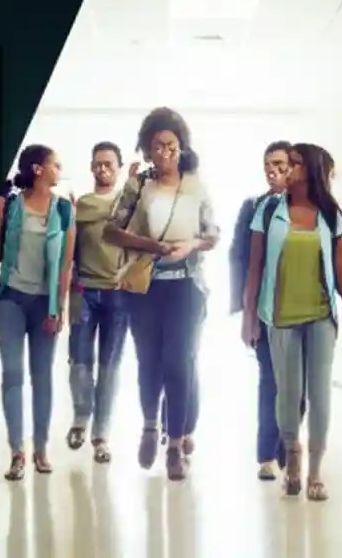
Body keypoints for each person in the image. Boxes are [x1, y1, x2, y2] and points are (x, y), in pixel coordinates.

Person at [103, 107, 219, 481]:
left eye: (171, 146)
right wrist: (151, 245)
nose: (165, 154)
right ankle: (150, 426)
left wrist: (193, 244)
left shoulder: (196, 186)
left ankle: (176, 443)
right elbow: (111, 231)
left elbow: (213, 233)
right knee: (148, 361)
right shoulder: (139, 186)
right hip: (146, 287)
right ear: (147, 149)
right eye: (157, 147)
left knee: (179, 361)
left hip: (186, 285)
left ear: (181, 147)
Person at [242, 143, 342, 502]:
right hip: (279, 317)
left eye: (293, 164)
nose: (285, 169)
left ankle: (316, 470)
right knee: (287, 395)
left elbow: (341, 271)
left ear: (310, 170)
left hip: (321, 317)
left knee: (320, 395)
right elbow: (255, 268)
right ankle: (292, 455)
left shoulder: (330, 214)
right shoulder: (267, 210)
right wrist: (249, 317)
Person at [0, 144, 75, 481]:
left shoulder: (65, 210)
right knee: (13, 373)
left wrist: (60, 308)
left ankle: (40, 449)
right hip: (10, 298)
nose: (59, 169)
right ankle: (16, 452)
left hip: (44, 304)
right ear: (38, 169)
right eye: (56, 164)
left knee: (42, 375)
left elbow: (65, 265)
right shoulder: (11, 205)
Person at [229, 140, 301, 481]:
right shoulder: (254, 207)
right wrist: (246, 313)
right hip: (264, 309)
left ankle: (288, 444)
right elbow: (240, 258)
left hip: (302, 310)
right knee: (270, 380)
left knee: (298, 385)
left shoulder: (310, 208)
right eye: (268, 165)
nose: (273, 171)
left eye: (280, 164)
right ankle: (265, 455)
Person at [66, 141, 128, 464]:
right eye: (98, 163)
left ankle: (101, 435)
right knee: (78, 363)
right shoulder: (81, 206)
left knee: (109, 368)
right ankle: (80, 417)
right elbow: (69, 251)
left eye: (109, 163)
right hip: (83, 291)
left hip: (119, 294)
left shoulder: (128, 205)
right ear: (91, 167)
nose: (103, 168)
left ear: (118, 167)